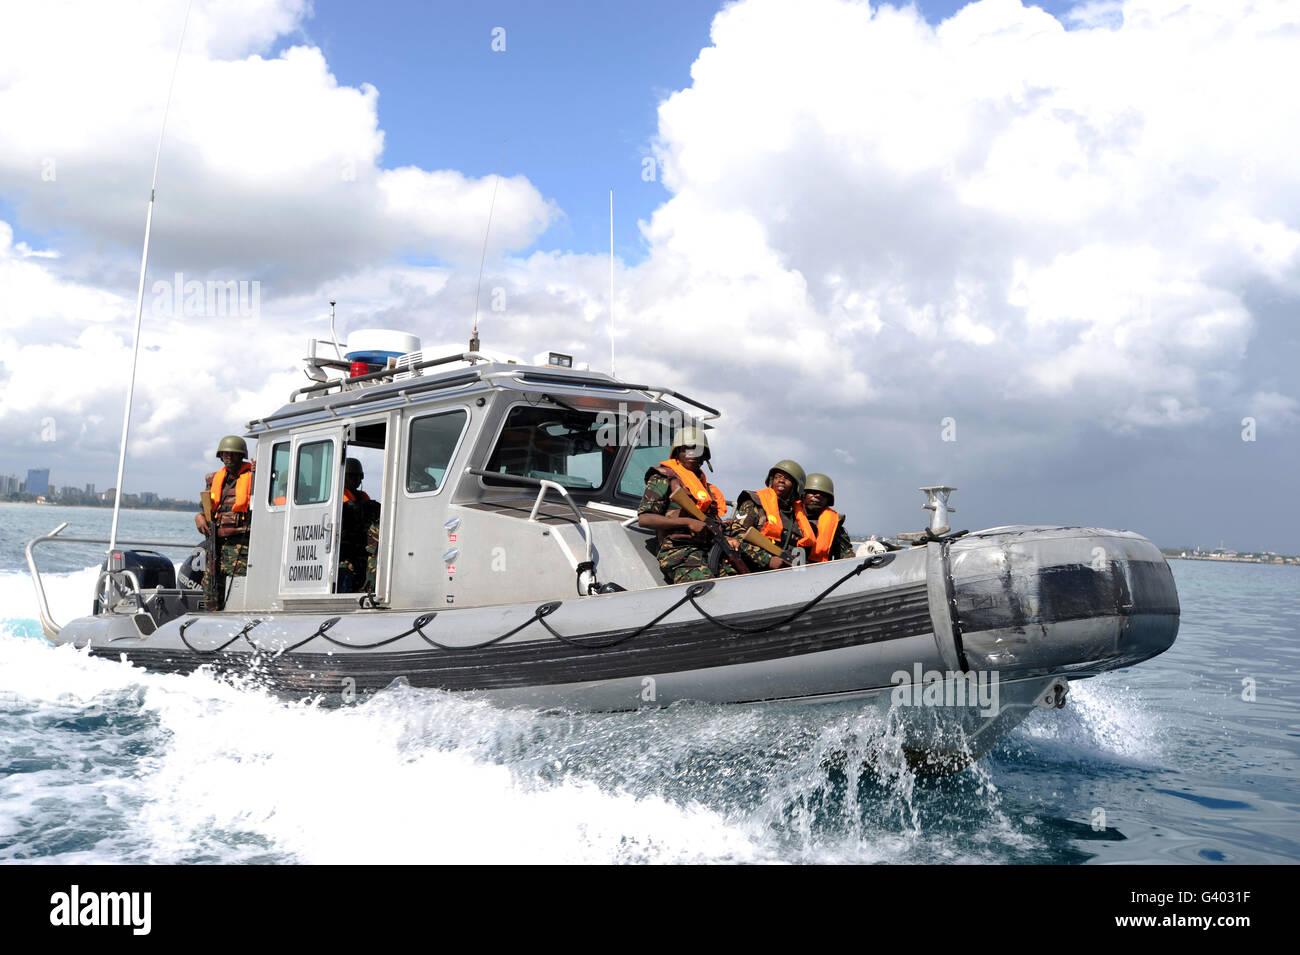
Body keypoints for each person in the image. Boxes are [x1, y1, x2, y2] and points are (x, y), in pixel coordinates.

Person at [636, 427, 740, 584]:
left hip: (711, 550)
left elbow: (712, 523)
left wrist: (726, 537)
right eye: (686, 449)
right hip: (679, 550)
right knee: (709, 589)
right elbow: (644, 518)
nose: (691, 453)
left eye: (697, 449)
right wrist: (688, 522)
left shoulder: (708, 490)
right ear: (677, 452)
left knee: (740, 582)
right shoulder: (664, 478)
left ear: (704, 456)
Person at [196, 434, 253, 610]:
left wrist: (263, 470)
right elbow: (206, 509)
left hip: (242, 544)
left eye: (232, 454)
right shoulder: (214, 480)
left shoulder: (256, 476)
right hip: (216, 544)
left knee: (243, 585)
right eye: (225, 454)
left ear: (241, 455)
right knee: (210, 588)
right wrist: (199, 517)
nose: (228, 457)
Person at [733, 459, 806, 571]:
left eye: (787, 478)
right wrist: (767, 559)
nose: (781, 480)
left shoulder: (799, 518)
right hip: (747, 569)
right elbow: (737, 535)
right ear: (771, 480)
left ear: (796, 487)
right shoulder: (755, 503)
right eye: (778, 477)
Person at [338, 458, 380, 592]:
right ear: (344, 476)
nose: (356, 480)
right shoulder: (339, 497)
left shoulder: (362, 497)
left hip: (360, 544)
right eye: (352, 476)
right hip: (346, 546)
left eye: (359, 476)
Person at [794, 473, 855, 562]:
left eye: (823, 495)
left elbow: (847, 555)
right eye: (813, 492)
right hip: (786, 571)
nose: (817, 496)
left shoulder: (834, 526)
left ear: (828, 500)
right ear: (803, 494)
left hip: (820, 572)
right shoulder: (789, 516)